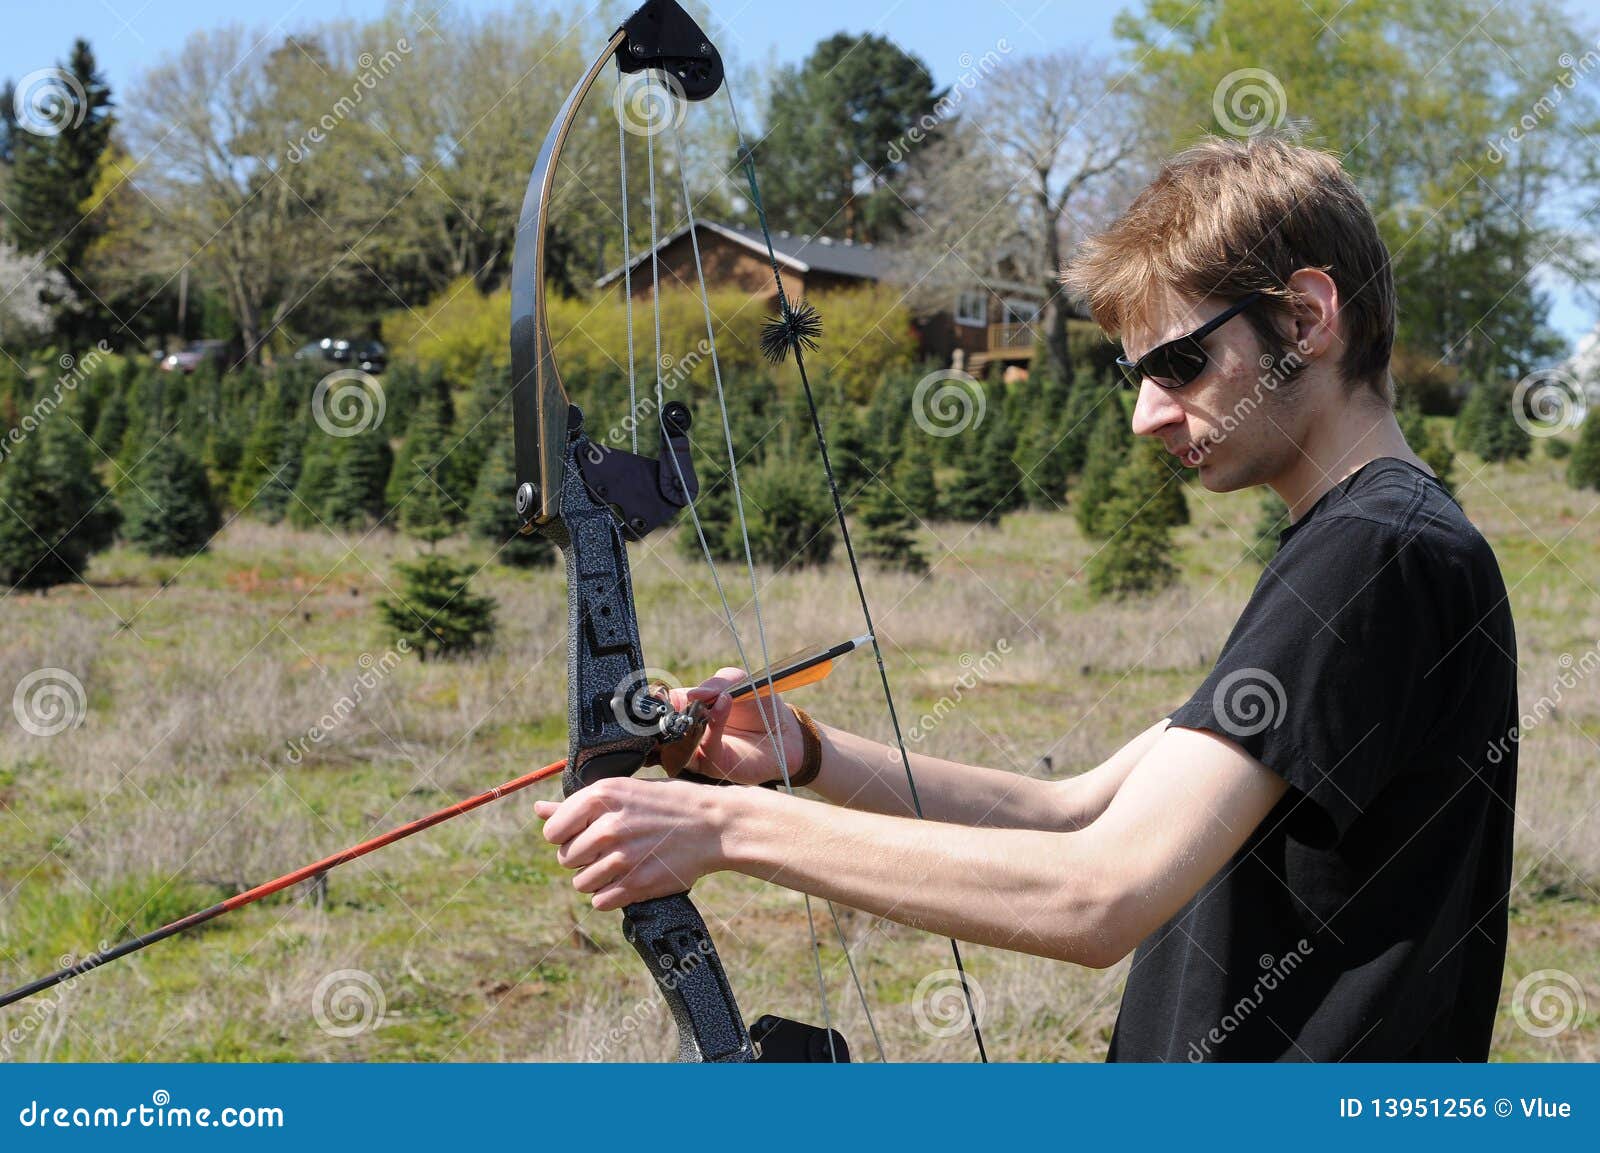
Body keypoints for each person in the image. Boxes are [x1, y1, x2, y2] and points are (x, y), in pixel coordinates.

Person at [535, 135, 1519, 1062]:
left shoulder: (1375, 552)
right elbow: (1071, 811)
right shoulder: (1377, 542)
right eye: (1135, 376)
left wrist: (722, 832)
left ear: (1305, 318)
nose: (1146, 415)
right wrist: (804, 753)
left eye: (1178, 363)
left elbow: (1097, 896)